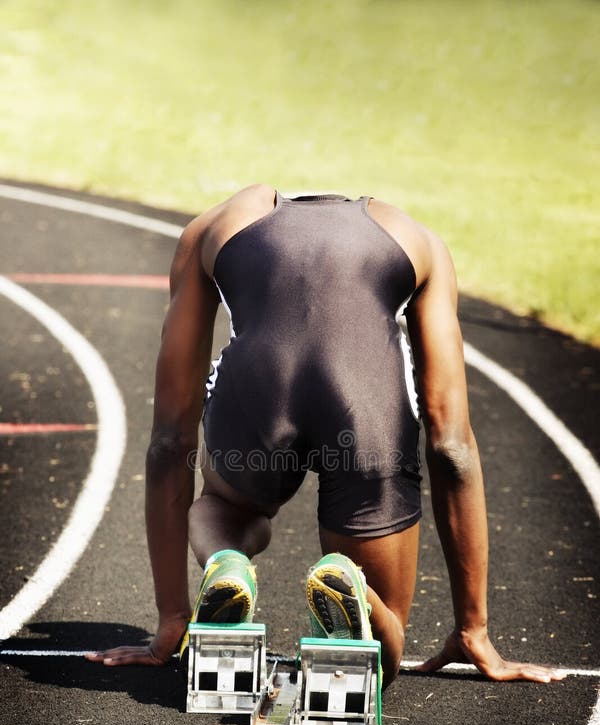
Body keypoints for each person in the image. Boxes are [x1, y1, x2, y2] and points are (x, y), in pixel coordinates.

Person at [87, 184, 565, 687]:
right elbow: (451, 445)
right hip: (367, 413)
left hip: (255, 404)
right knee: (386, 644)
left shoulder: (215, 225)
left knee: (221, 510)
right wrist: (473, 628)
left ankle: (226, 561)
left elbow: (169, 440)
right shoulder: (414, 237)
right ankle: (351, 583)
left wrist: (171, 620)